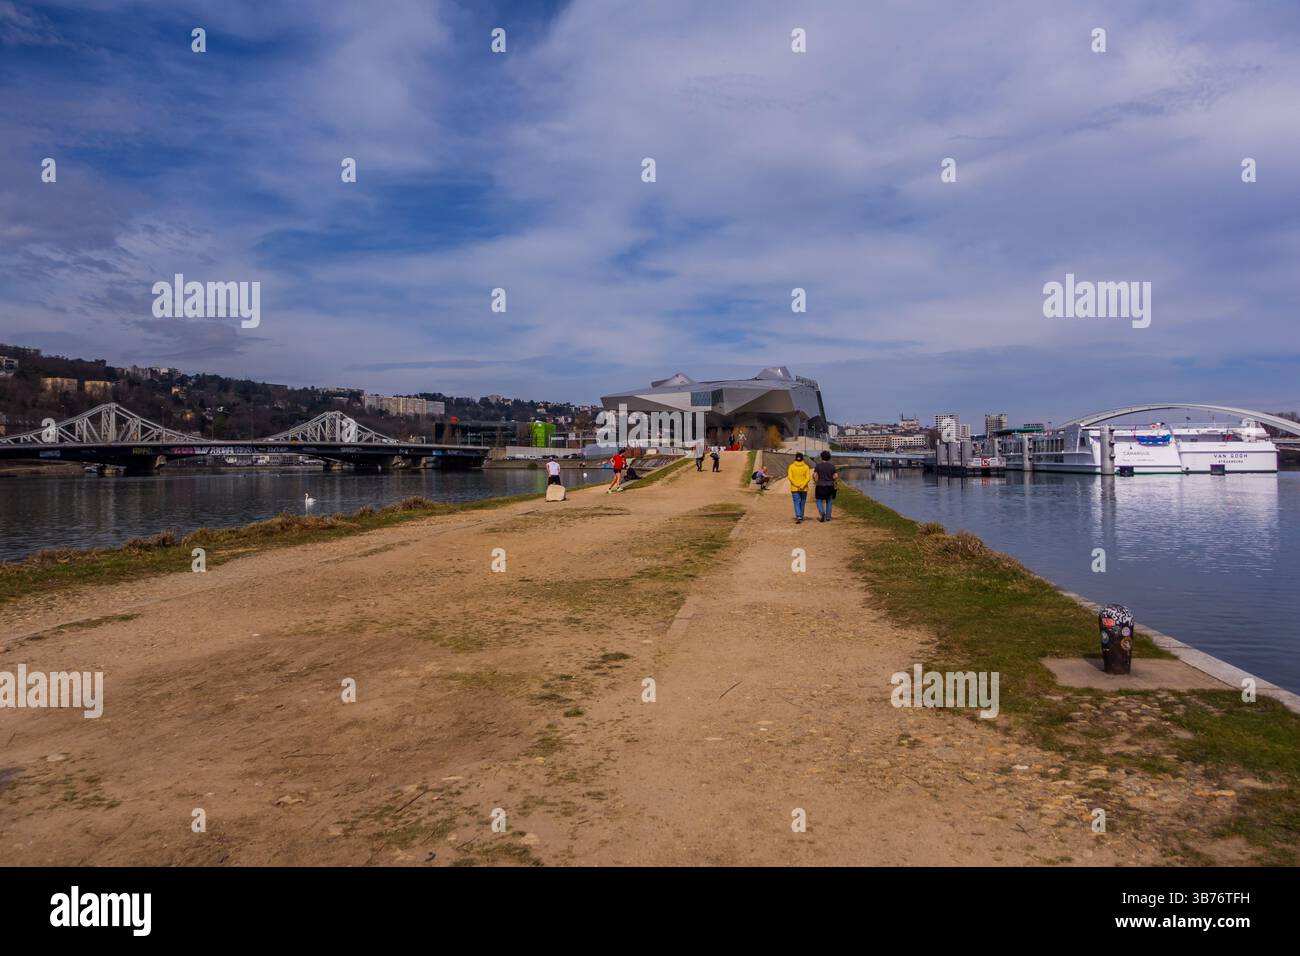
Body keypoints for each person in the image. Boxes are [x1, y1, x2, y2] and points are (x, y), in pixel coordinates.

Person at [813, 450, 838, 522]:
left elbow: (814, 475)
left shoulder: (818, 466)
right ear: (829, 458)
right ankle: (828, 517)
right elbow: (836, 476)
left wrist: (816, 481)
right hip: (830, 486)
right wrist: (832, 479)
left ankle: (822, 512)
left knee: (818, 500)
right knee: (829, 501)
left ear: (821, 457)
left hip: (820, 485)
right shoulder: (832, 466)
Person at [787, 452, 811, 523]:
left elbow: (790, 477)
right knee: (802, 502)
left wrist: (797, 485)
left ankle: (798, 516)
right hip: (804, 488)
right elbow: (808, 478)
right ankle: (801, 515)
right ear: (802, 458)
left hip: (794, 488)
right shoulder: (806, 467)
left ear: (795, 458)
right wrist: (802, 485)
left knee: (796, 502)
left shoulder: (791, 466)